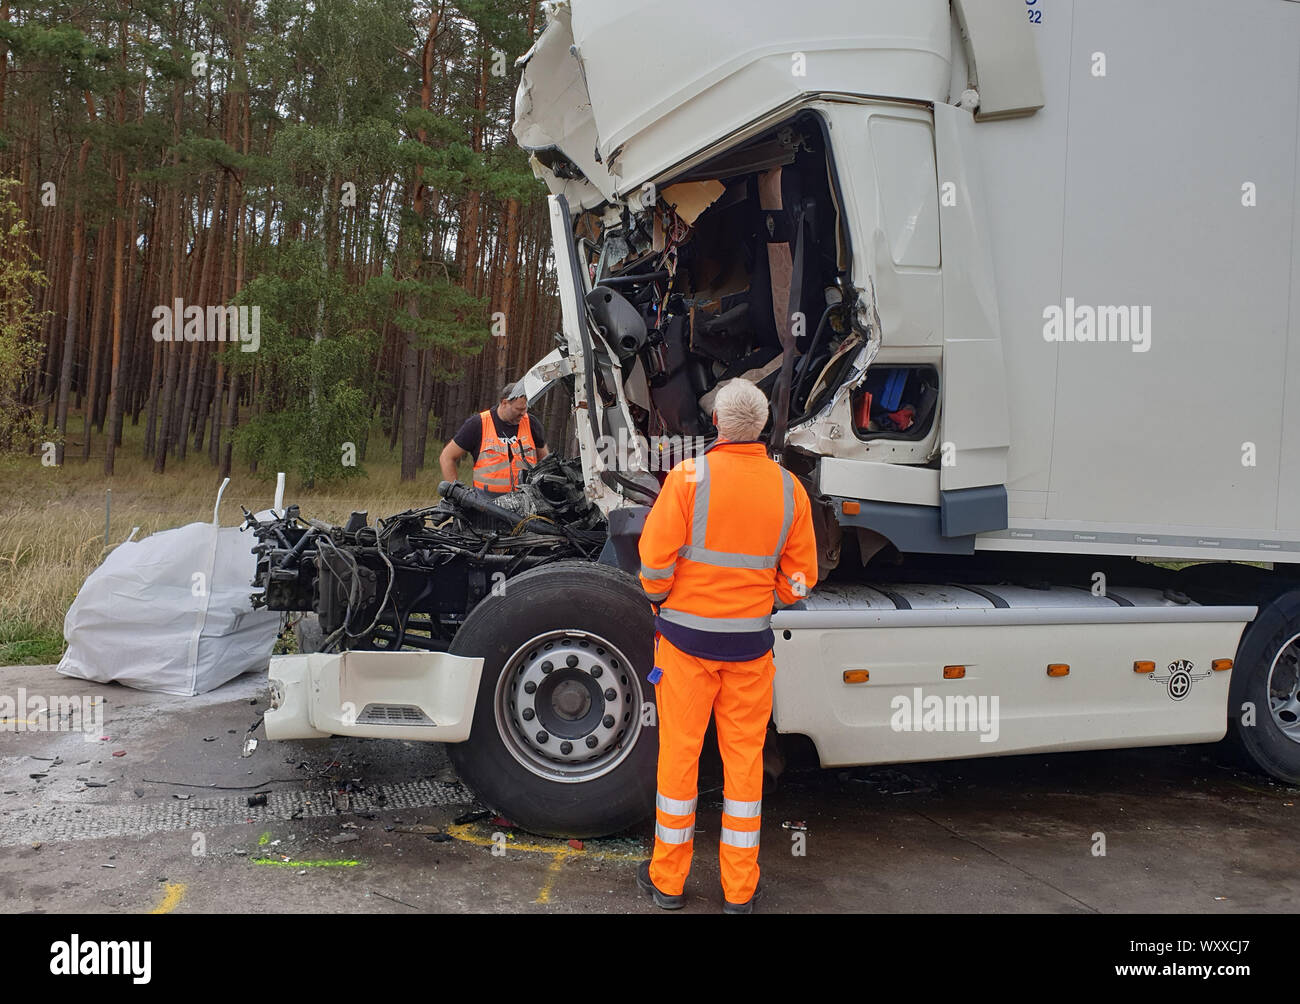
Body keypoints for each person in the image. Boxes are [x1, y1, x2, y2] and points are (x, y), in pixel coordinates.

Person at [635, 377, 818, 913]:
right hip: (750, 653)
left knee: (679, 761)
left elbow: (652, 566)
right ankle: (740, 891)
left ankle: (668, 882)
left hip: (684, 650)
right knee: (744, 766)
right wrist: (773, 595)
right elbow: (803, 578)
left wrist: (663, 601)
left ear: (717, 423)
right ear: (761, 428)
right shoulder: (789, 489)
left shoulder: (687, 478)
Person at [439, 382, 549, 494]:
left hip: (525, 501)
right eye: (519, 409)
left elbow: (546, 462)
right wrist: (455, 492)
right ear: (504, 403)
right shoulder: (478, 424)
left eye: (525, 409)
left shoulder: (531, 423)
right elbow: (447, 457)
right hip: (486, 504)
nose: (523, 413)